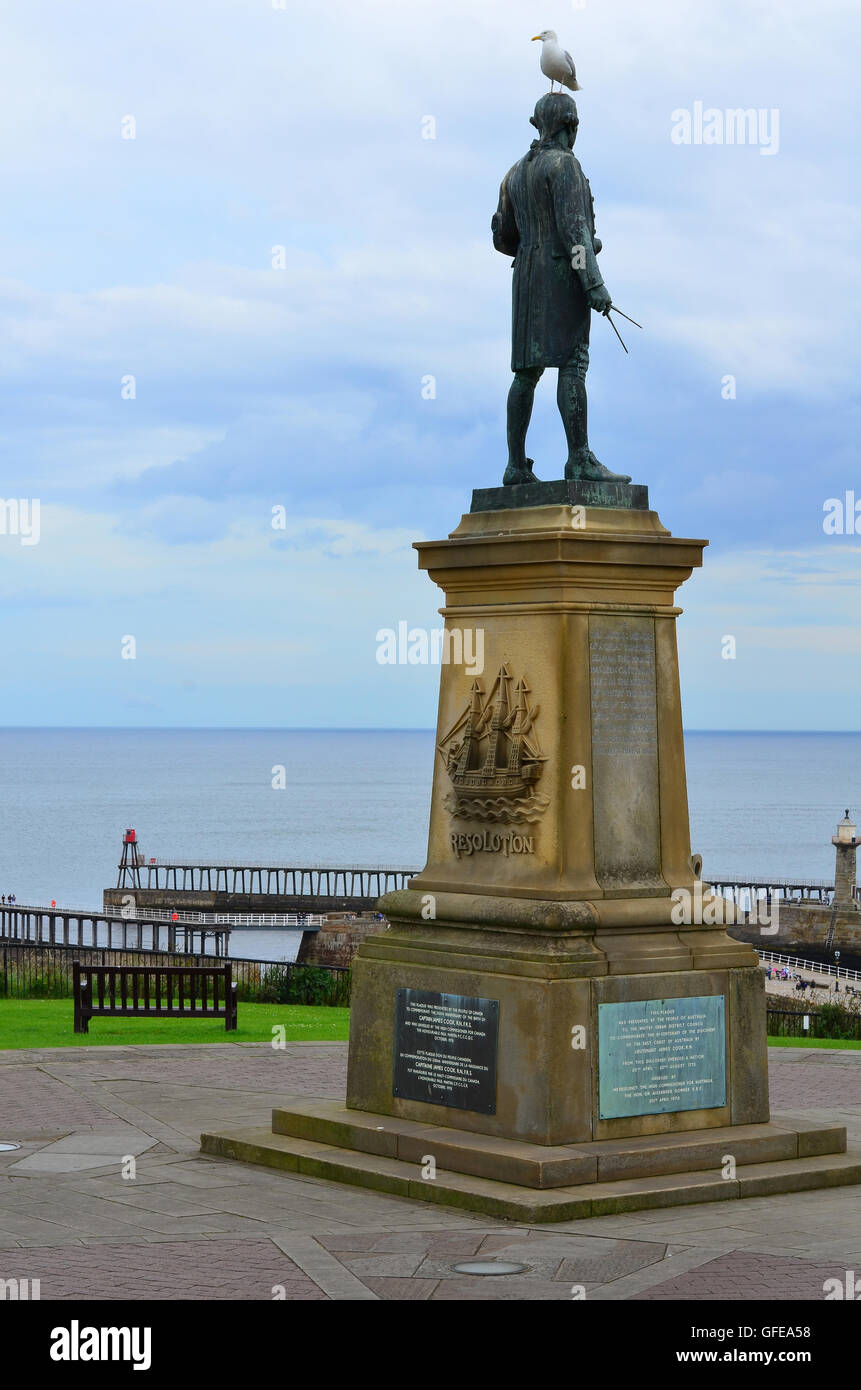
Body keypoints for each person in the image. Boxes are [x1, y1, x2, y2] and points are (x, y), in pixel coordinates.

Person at [492, 92, 631, 486]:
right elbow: (575, 235)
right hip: (561, 278)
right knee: (573, 364)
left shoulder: (515, 173)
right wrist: (594, 283)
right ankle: (579, 460)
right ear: (570, 126)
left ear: (539, 125)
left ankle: (515, 466)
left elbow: (504, 237)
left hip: (526, 280)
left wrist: (536, 245)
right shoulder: (565, 165)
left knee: (525, 374)